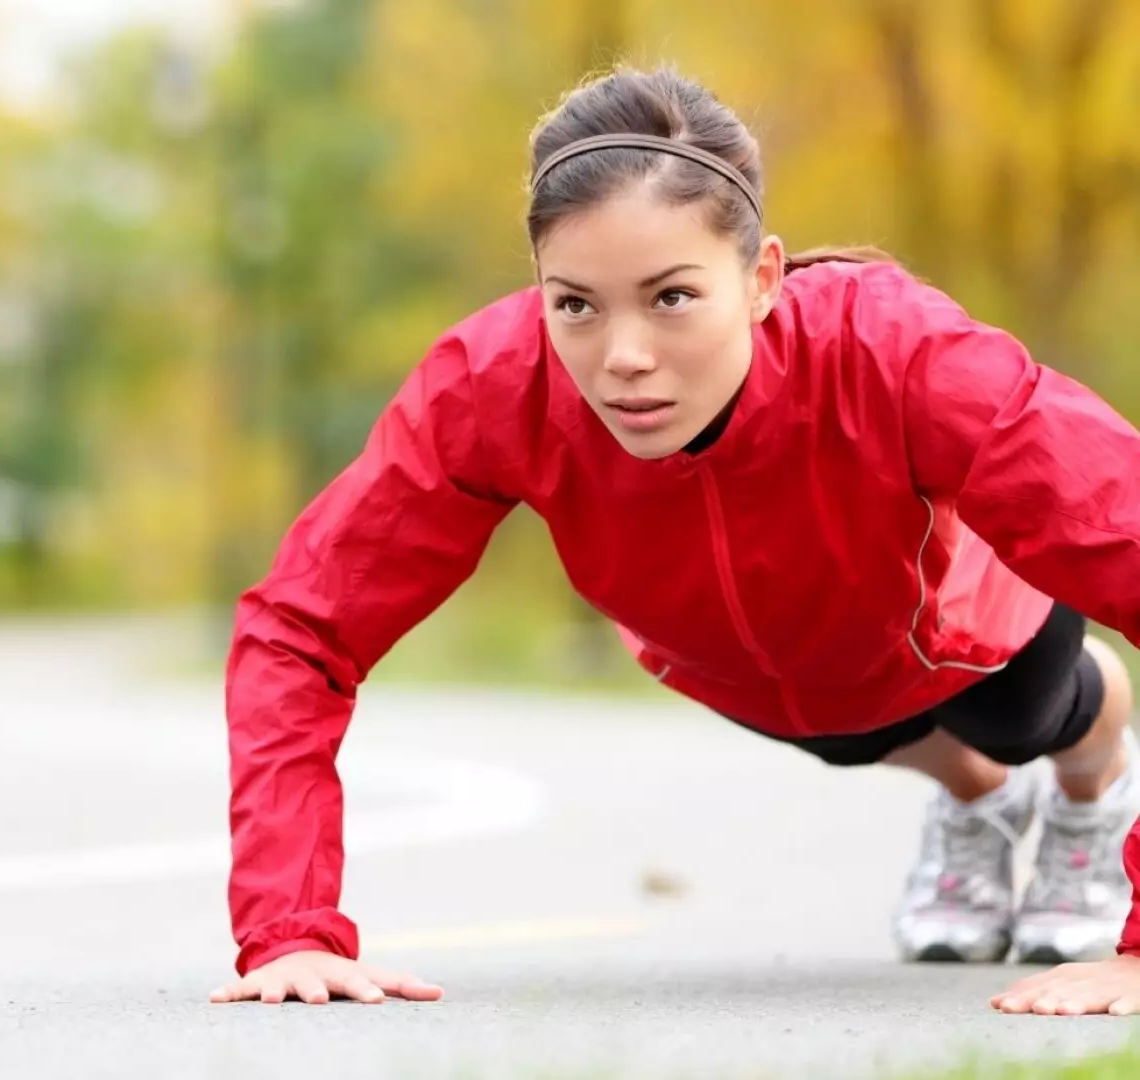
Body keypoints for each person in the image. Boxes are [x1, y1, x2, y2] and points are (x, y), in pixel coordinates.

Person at [205, 63, 1140, 1010]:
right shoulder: (490, 387)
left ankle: (1087, 794)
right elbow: (303, 627)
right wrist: (289, 932)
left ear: (762, 277)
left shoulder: (899, 352)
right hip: (750, 664)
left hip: (965, 635)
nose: (623, 359)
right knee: (842, 732)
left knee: (1025, 718)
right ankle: (979, 805)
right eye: (575, 304)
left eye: (671, 298)